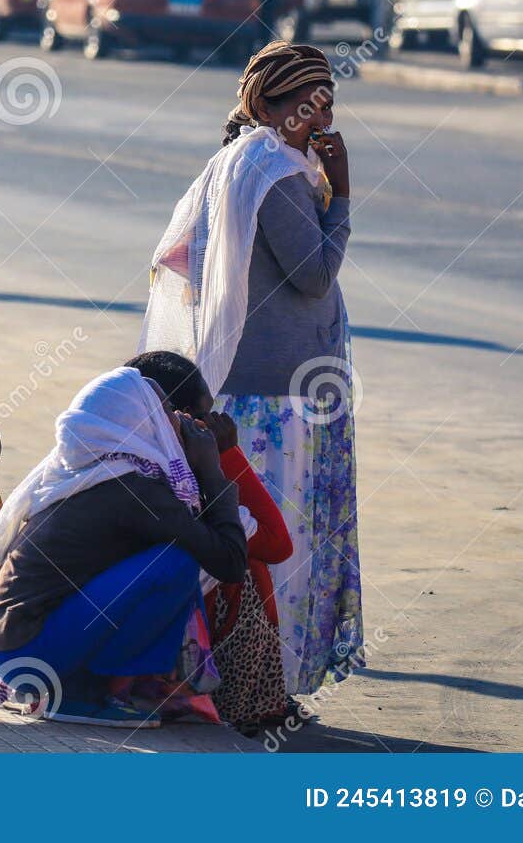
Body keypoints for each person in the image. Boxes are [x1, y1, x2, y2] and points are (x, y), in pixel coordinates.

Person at [138, 40, 359, 697]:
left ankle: (245, 678)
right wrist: (343, 194)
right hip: (278, 399)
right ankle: (264, 680)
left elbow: (182, 257)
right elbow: (315, 274)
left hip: (256, 387)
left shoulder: (245, 162)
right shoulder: (276, 173)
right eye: (305, 107)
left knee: (258, 534)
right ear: (266, 107)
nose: (320, 121)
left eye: (327, 106)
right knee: (281, 544)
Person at [0, 366, 247, 728]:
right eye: (167, 409)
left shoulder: (96, 473)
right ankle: (79, 693)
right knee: (177, 562)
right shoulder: (132, 488)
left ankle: (112, 686)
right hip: (34, 655)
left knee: (171, 556)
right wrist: (213, 471)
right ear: (140, 420)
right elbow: (230, 562)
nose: (180, 419)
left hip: (20, 654)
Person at [132, 350, 294, 730]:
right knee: (246, 568)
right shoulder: (172, 481)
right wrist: (225, 455)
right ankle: (237, 705)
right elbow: (278, 543)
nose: (213, 424)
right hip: (131, 637)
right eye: (204, 416)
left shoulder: (105, 444)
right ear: (180, 419)